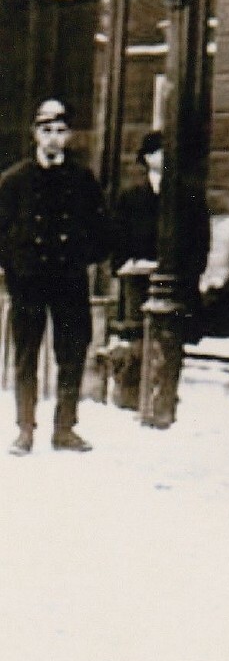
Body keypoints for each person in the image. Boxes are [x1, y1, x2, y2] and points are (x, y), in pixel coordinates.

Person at [0, 100, 111, 454]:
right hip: (28, 282)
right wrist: (13, 269)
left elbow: (101, 228)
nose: (53, 139)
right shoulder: (14, 180)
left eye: (60, 131)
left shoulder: (82, 180)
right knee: (26, 356)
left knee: (72, 353)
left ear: (70, 136)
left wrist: (84, 258)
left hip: (68, 280)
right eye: (46, 131)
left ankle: (65, 428)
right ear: (35, 134)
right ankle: (25, 429)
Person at [109, 130, 211, 337]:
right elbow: (118, 239)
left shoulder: (191, 197)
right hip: (139, 286)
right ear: (147, 157)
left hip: (179, 288)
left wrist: (185, 273)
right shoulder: (130, 198)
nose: (166, 156)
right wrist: (128, 264)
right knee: (137, 342)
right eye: (159, 151)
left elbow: (200, 242)